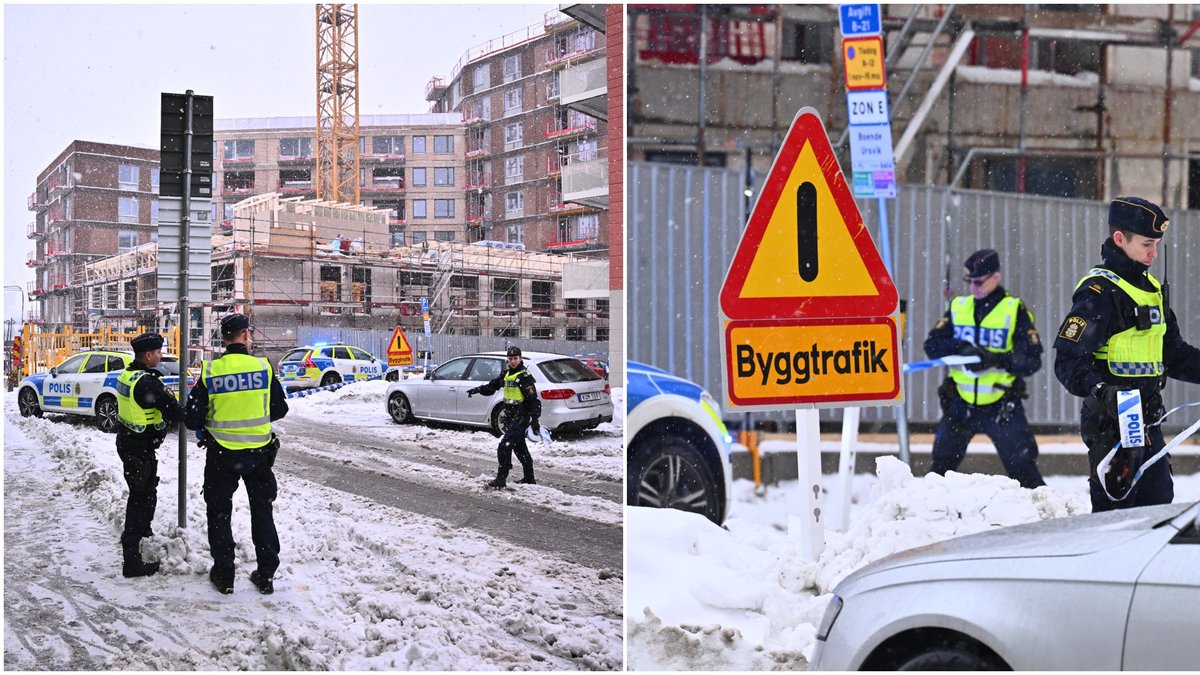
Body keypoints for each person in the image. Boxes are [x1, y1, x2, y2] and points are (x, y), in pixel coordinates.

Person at [1054, 196, 1200, 512]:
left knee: (1157, 508)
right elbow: (1067, 361)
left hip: (1147, 420)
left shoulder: (1152, 291)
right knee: (1115, 515)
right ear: (1120, 239)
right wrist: (1102, 391)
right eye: (1147, 244)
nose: (1153, 253)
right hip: (1111, 422)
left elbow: (1174, 355)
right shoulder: (1099, 291)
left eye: (1157, 245)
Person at [923, 248, 1047, 489]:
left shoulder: (1014, 310)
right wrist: (963, 348)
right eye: (969, 282)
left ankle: (1046, 519)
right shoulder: (959, 306)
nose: (974, 288)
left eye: (979, 281)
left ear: (995, 277)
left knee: (1025, 471)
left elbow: (1032, 360)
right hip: (960, 403)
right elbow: (932, 344)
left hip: (1001, 405)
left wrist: (996, 359)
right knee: (939, 474)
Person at [185, 313, 289, 594]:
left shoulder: (211, 371)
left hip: (221, 456)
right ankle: (266, 574)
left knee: (219, 513)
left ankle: (224, 574)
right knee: (262, 511)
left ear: (224, 338)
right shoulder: (263, 367)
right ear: (244, 335)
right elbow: (279, 409)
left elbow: (192, 419)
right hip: (258, 454)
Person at [115, 331, 183, 578]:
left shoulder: (128, 374)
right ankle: (131, 560)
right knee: (139, 499)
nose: (161, 355)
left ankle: (143, 531)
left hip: (129, 444)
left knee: (145, 493)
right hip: (138, 450)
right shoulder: (148, 383)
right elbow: (175, 413)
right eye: (158, 352)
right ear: (148, 355)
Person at [467, 346, 541, 489]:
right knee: (520, 448)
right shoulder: (507, 374)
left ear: (520, 358)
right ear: (508, 359)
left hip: (521, 416)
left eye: (515, 358)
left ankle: (501, 478)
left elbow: (533, 401)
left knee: (504, 446)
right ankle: (529, 478)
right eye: (510, 358)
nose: (513, 361)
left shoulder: (524, 377)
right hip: (511, 417)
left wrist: (535, 420)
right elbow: (492, 386)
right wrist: (478, 390)